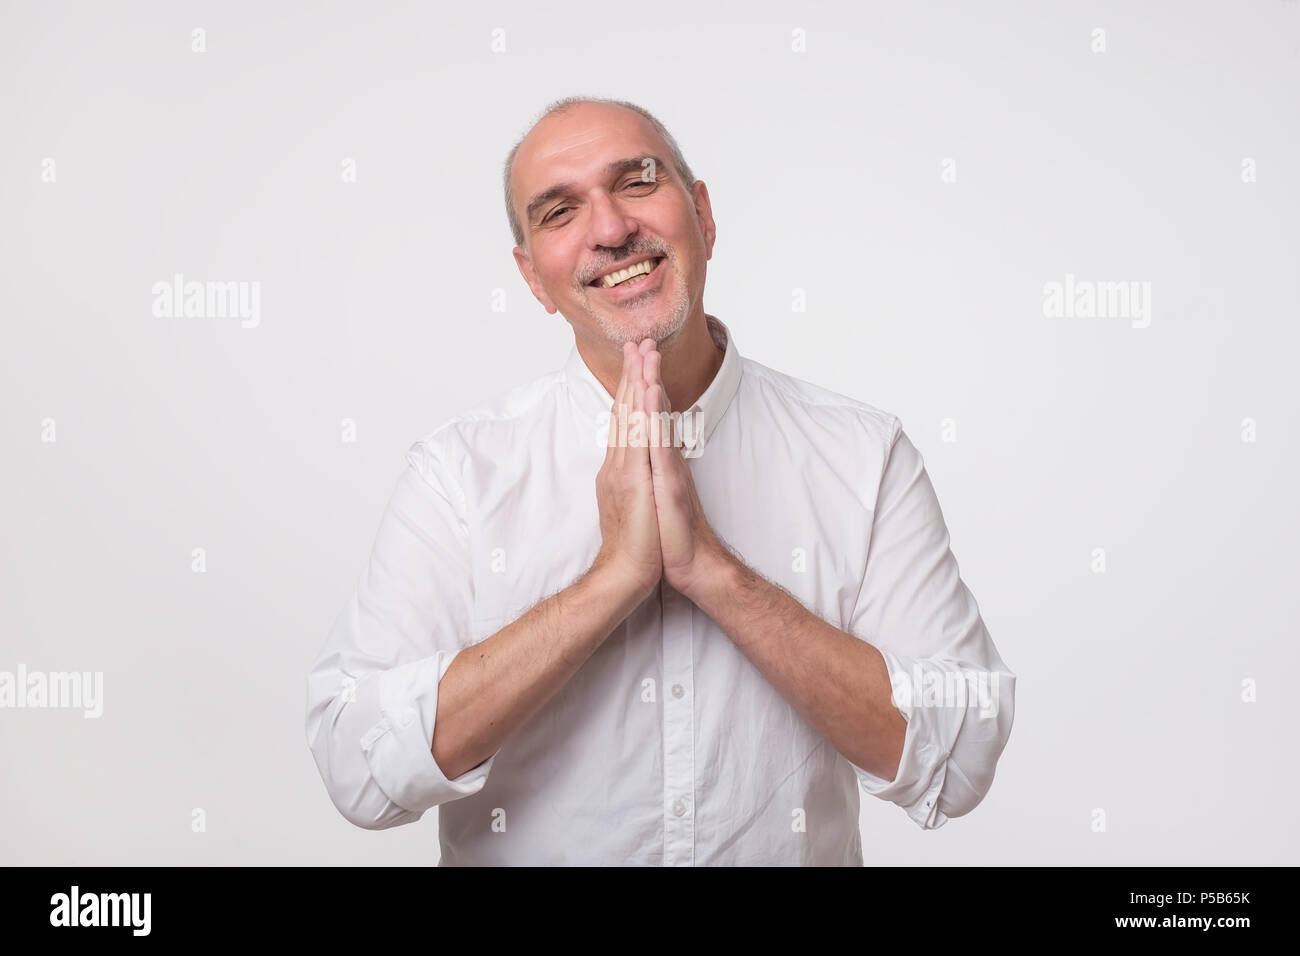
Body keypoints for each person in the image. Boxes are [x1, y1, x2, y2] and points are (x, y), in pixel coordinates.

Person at [305, 96, 1016, 865]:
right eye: (558, 212)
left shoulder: (864, 456)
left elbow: (962, 755)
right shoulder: (459, 475)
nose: (610, 230)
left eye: (637, 181)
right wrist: (612, 581)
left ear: (702, 214)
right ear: (533, 280)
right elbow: (357, 767)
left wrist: (711, 571)